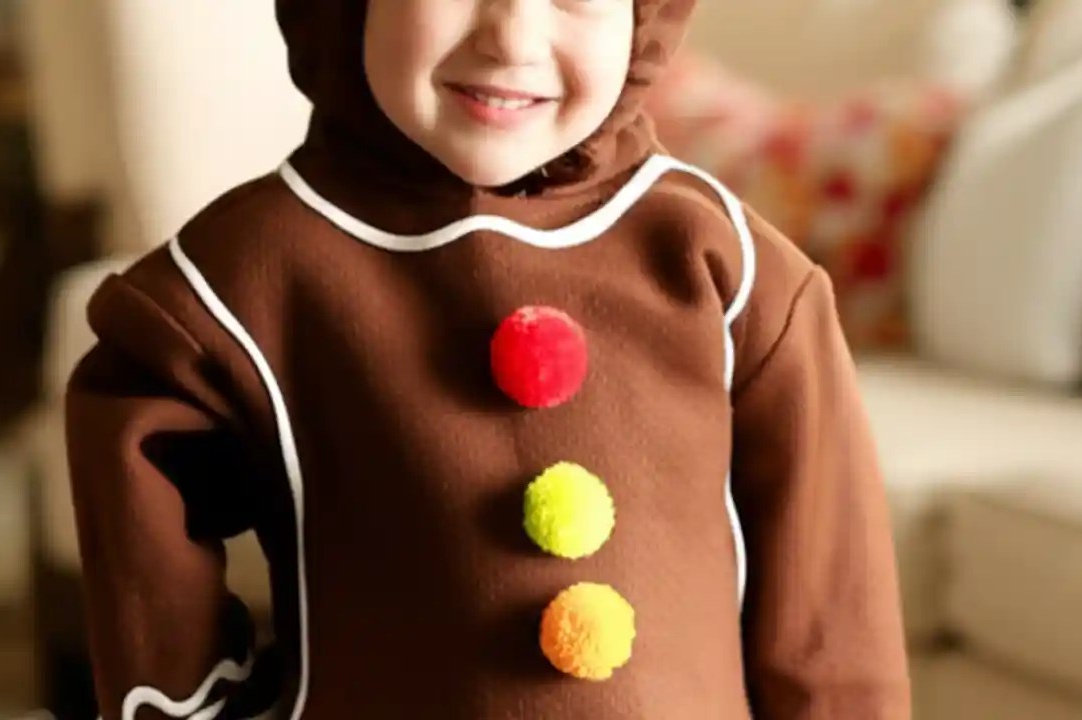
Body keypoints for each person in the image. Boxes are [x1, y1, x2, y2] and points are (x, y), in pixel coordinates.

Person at [65, 0, 911, 718]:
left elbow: (832, 627)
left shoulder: (726, 267)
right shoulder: (245, 277)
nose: (510, 36)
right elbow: (139, 488)